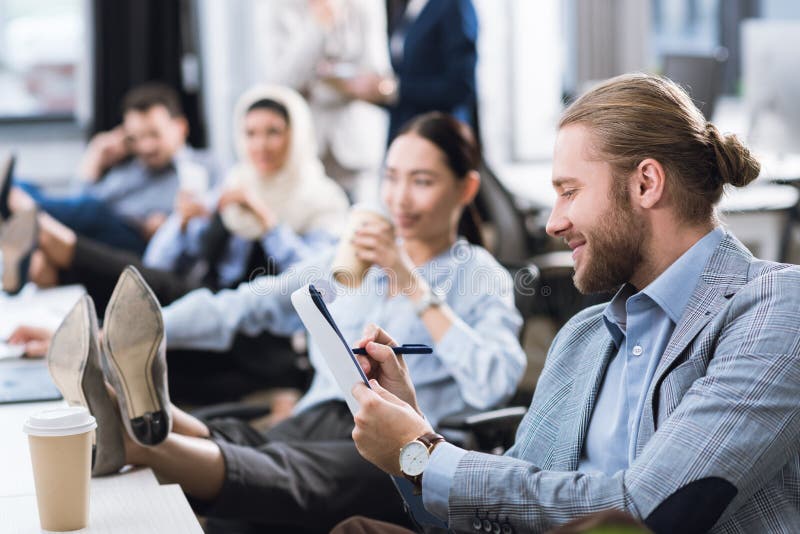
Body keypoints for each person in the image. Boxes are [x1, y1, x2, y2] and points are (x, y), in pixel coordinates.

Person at [348, 73, 800, 533]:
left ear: (646, 183)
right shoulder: (582, 337)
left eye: (569, 191)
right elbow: (493, 517)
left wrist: (425, 456)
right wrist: (412, 432)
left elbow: (642, 515)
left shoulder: (774, 307)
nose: (553, 222)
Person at [56, 112, 526, 532]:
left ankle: (141, 442)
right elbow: (243, 305)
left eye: (421, 181)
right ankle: (153, 415)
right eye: (391, 178)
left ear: (465, 188)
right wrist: (125, 333)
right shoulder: (350, 260)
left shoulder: (480, 276)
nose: (399, 199)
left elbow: (494, 382)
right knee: (243, 446)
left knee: (281, 473)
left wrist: (412, 284)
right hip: (323, 414)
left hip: (410, 444)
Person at [10, 85, 351, 403]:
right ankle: (42, 244)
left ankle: (32, 221)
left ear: (297, 135)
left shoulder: (322, 200)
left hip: (260, 335)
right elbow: (163, 258)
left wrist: (270, 226)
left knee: (149, 333)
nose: (260, 145)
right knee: (142, 282)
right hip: (212, 298)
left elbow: (316, 284)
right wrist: (183, 223)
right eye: (251, 133)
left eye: (273, 132)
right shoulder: (238, 181)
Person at [11, 82, 219, 254]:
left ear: (180, 127)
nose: (146, 146)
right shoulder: (131, 169)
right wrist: (94, 156)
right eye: (136, 137)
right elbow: (76, 206)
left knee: (92, 210)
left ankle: (16, 204)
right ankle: (17, 201)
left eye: (154, 135)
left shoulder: (205, 167)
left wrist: (171, 225)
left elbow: (207, 226)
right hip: (102, 233)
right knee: (32, 188)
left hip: (146, 246)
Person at [261, 0, 391, 200]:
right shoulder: (282, 7)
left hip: (357, 147)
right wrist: (318, 26)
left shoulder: (366, 5)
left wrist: (318, 84)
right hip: (307, 146)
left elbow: (375, 77)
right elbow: (281, 82)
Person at [329, 0, 478, 142]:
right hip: (404, 130)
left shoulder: (455, 5)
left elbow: (462, 87)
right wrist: (373, 88)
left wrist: (394, 90)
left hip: (438, 134)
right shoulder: (407, 6)